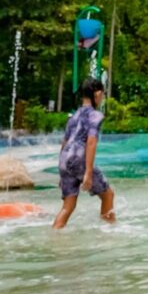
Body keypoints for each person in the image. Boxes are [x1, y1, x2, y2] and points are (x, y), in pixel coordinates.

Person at [52, 78, 115, 229]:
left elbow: (65, 142)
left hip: (65, 160)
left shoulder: (73, 116)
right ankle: (110, 231)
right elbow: (91, 142)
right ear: (98, 94)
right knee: (108, 195)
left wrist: (62, 172)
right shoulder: (96, 115)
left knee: (68, 206)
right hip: (80, 159)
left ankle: (54, 234)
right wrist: (88, 171)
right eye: (102, 94)